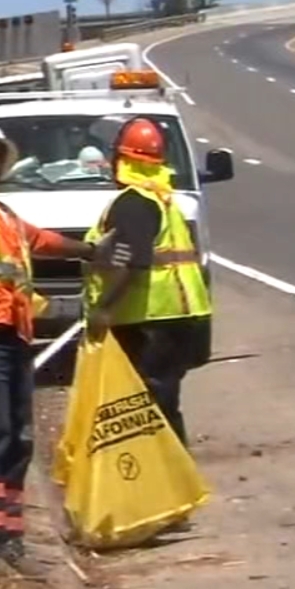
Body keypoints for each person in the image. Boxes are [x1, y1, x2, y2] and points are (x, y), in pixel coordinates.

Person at [0, 73, 113, 578]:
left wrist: (91, 250)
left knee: (20, 440)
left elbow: (46, 241)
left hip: (12, 335)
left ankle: (8, 537)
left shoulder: (5, 215)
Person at [84, 117, 211, 456]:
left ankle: (167, 476)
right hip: (180, 315)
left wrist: (103, 309)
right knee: (163, 400)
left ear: (121, 160)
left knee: (154, 402)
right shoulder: (163, 200)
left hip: (151, 321)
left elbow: (132, 261)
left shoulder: (134, 203)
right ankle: (169, 473)